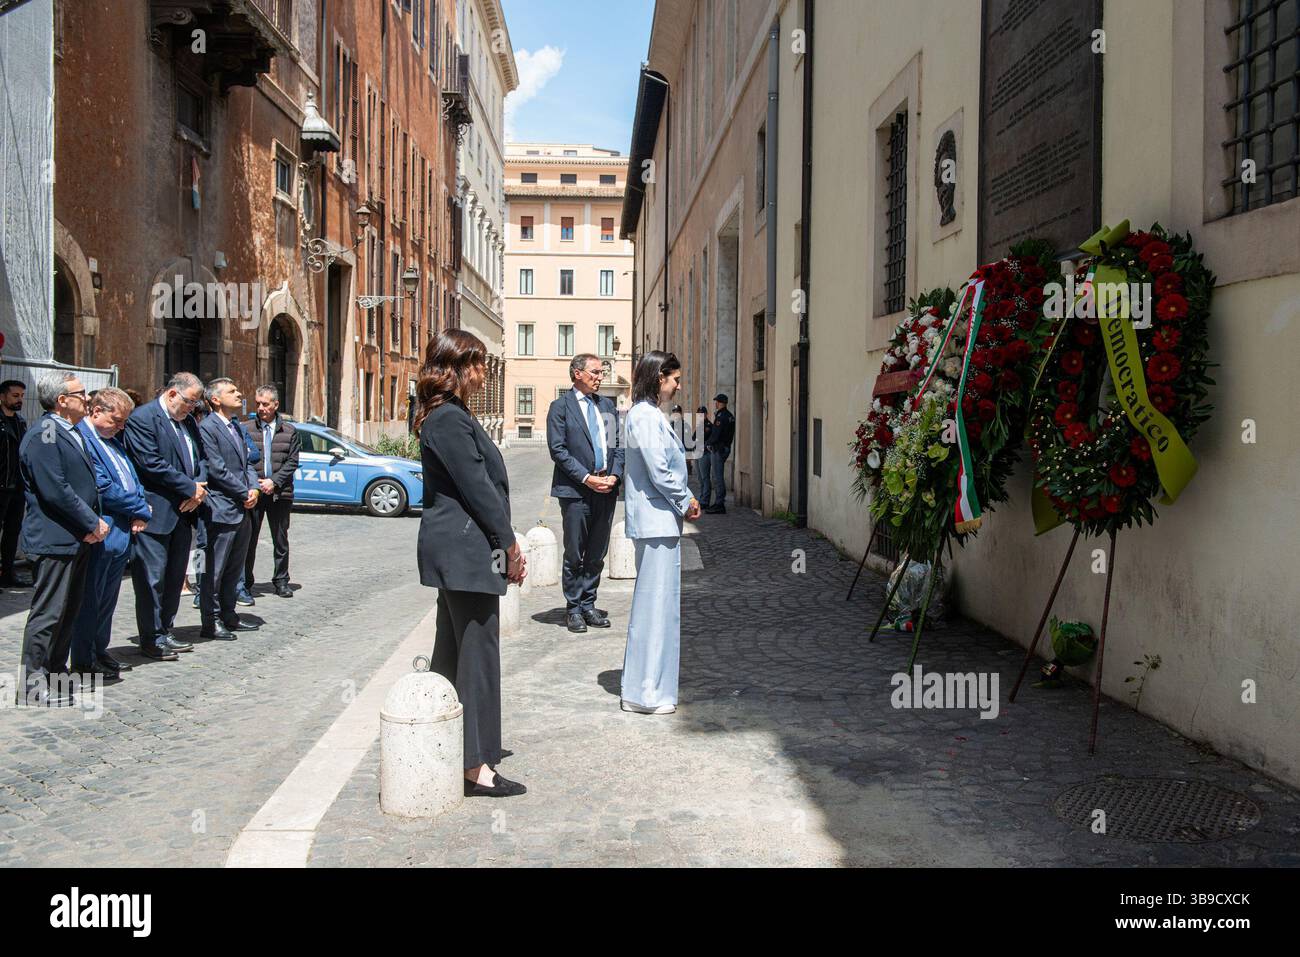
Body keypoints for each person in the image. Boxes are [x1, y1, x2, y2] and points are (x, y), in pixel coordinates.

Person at [415, 329, 527, 798]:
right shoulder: (449, 421)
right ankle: (475, 766)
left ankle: (441, 740)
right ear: (454, 369)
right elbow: (478, 489)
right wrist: (510, 547)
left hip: (462, 551)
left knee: (453, 651)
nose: (483, 373)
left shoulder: (451, 416)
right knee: (478, 653)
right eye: (477, 364)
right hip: (467, 550)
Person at [16, 373, 107, 706]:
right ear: (61, 401)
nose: (87, 398)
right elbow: (56, 490)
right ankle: (32, 684)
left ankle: (56, 674)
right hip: (56, 538)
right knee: (49, 613)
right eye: (80, 393)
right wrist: (91, 521)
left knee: (68, 611)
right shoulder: (46, 433)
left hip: (76, 538)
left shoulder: (69, 431)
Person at [620, 351, 701, 715]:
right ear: (658, 378)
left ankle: (650, 687)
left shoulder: (647, 416)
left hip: (658, 521)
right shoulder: (645, 417)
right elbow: (659, 470)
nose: (678, 386)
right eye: (675, 379)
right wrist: (686, 500)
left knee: (660, 607)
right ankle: (643, 690)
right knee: (654, 607)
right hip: (656, 521)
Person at [124, 372, 208, 660]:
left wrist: (199, 489)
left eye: (196, 404)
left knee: (174, 577)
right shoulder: (143, 419)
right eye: (189, 402)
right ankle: (151, 637)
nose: (191, 408)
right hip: (155, 513)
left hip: (185, 512)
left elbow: (202, 458)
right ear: (173, 394)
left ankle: (166, 629)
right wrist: (191, 488)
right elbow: (151, 464)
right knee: (152, 579)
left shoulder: (188, 422)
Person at [72, 388, 151, 680]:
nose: (121, 427)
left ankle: (100, 649)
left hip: (121, 532)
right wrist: (141, 508)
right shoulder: (84, 440)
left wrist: (140, 503)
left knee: (108, 599)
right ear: (96, 411)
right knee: (90, 599)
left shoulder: (113, 442)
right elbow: (103, 488)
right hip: (102, 530)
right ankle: (84, 657)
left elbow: (132, 478)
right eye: (116, 420)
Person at [546, 353, 624, 634]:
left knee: (597, 552)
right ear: (577, 373)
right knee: (575, 552)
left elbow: (619, 445)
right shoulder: (560, 407)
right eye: (595, 372)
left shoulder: (607, 406)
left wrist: (614, 475)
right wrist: (587, 477)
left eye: (602, 373)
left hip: (606, 489)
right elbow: (558, 450)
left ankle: (589, 604)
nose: (600, 377)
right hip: (576, 491)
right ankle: (574, 608)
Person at [196, 378, 260, 640]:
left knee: (235, 568)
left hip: (242, 507)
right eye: (232, 391)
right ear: (215, 399)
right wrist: (243, 491)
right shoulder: (207, 427)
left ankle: (229, 614)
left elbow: (248, 462)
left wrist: (254, 488)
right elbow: (216, 468)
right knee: (214, 569)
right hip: (221, 508)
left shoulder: (235, 426)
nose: (239, 393)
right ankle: (210, 621)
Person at [241, 385, 299, 600]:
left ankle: (281, 581)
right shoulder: (246, 429)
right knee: (249, 539)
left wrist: (274, 482)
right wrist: (255, 484)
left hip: (280, 493)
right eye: (258, 404)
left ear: (276, 405)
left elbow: (292, 462)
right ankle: (245, 582)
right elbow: (242, 460)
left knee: (280, 539)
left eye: (265, 404)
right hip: (254, 492)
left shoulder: (289, 431)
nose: (261, 408)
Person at [0, 379, 29, 587]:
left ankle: (8, 574)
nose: (20, 400)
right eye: (15, 396)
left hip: (16, 488)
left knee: (12, 532)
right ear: (2, 397)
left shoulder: (20, 423)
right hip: (1, 486)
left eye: (22, 396)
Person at [701, 392, 735, 514]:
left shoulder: (721, 416)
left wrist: (707, 444)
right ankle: (719, 502)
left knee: (717, 477)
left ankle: (719, 503)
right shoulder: (730, 416)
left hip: (718, 449)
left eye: (717, 402)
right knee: (718, 476)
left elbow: (716, 435)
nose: (715, 403)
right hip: (725, 447)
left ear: (721, 403)